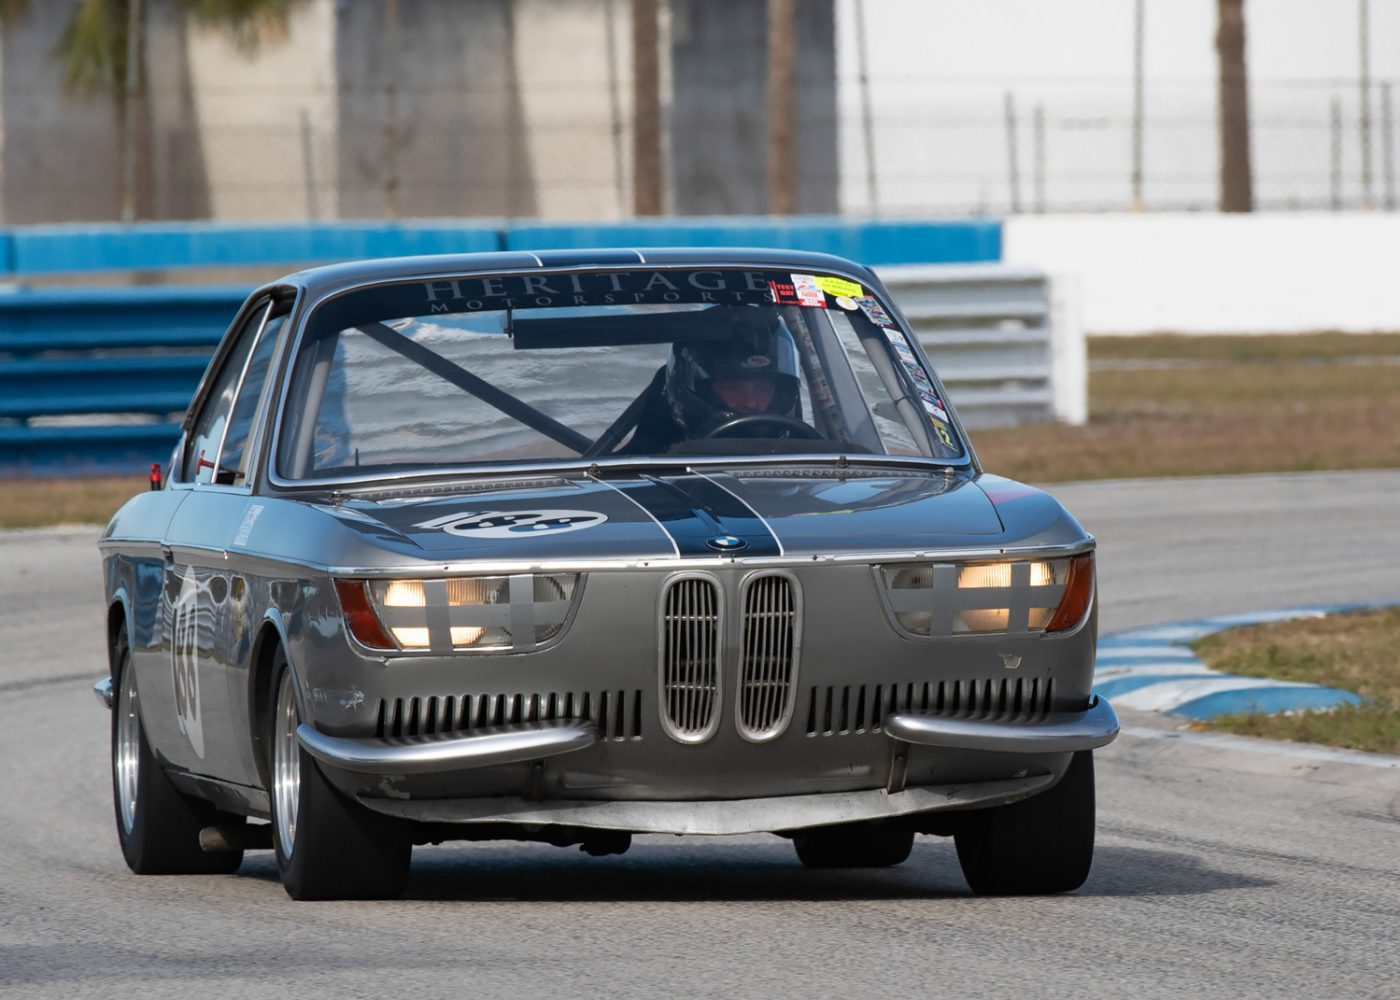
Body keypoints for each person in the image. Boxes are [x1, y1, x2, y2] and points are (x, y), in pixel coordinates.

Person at [621, 308, 805, 454]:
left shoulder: (814, 460)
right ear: (699, 391)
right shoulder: (636, 479)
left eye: (762, 389)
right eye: (733, 388)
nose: (750, 402)